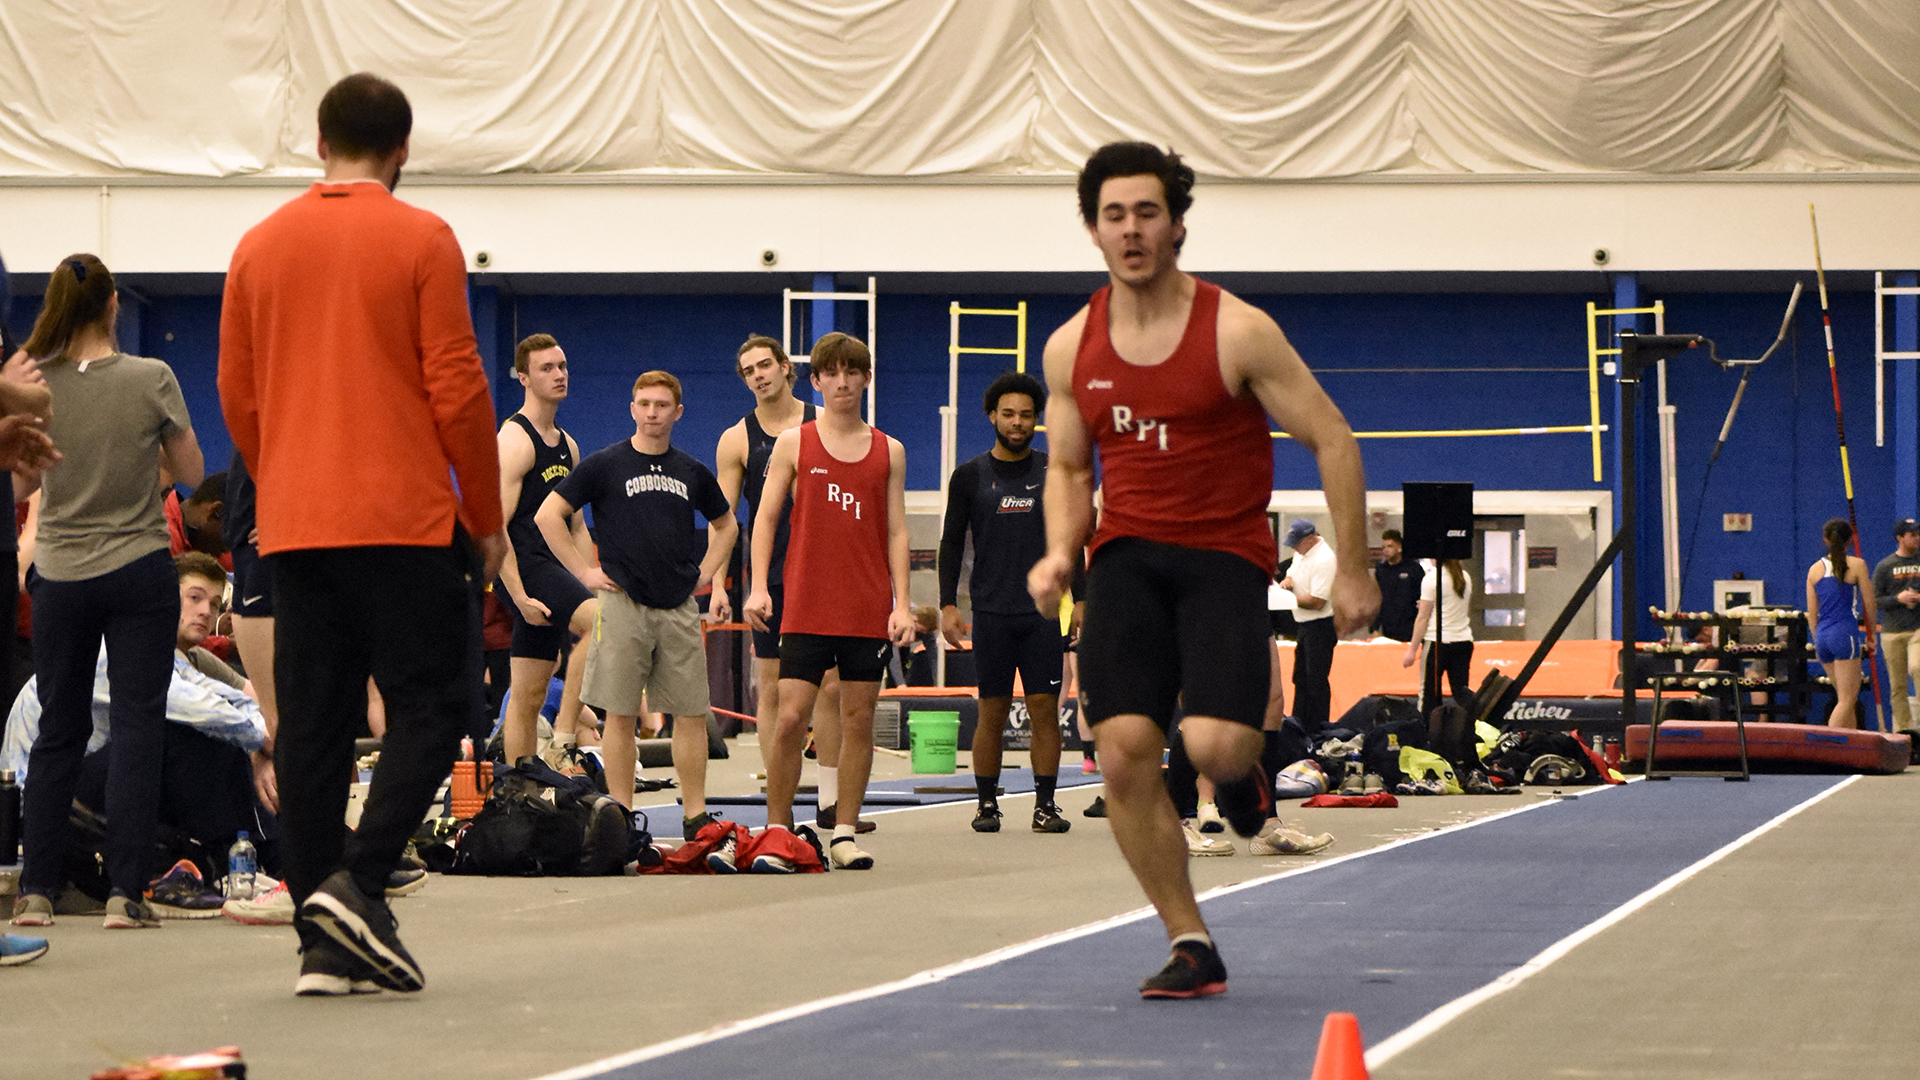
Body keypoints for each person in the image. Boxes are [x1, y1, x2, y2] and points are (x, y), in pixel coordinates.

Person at [1027, 142, 1376, 999]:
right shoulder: (1073, 348)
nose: (1132, 229)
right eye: (1114, 215)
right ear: (1094, 229)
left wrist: (1357, 570)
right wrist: (1059, 551)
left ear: (1177, 224)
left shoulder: (1238, 331)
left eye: (1147, 212)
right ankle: (1190, 939)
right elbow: (1071, 469)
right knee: (1122, 756)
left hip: (1223, 555)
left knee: (1217, 748)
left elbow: (1332, 436)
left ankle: (1243, 769)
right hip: (1127, 558)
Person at [218, 73, 506, 996]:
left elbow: (237, 396)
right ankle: (359, 880)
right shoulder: (422, 237)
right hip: (404, 520)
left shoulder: (258, 247)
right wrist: (484, 519)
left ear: (317, 143)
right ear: (404, 150)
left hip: (296, 524)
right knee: (434, 708)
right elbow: (457, 387)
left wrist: (287, 477)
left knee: (315, 727)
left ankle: (324, 946)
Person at [7, 253, 205, 933]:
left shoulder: (38, 390)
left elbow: (22, 484)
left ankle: (37, 888)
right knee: (138, 724)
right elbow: (191, 470)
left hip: (59, 575)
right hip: (137, 570)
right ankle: (125, 894)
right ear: (114, 304)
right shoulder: (152, 378)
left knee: (57, 731)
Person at [536, 371, 736, 847]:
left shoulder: (691, 471)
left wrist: (706, 573)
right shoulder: (606, 465)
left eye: (662, 405)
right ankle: (622, 816)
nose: (652, 412)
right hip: (622, 605)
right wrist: (584, 574)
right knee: (621, 715)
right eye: (644, 403)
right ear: (632, 409)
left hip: (678, 607)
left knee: (690, 714)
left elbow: (727, 526)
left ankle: (695, 814)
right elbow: (548, 515)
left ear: (677, 413)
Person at [746, 332, 914, 871]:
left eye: (852, 372)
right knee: (791, 716)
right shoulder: (795, 443)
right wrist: (754, 587)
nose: (843, 382)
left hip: (866, 607)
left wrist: (902, 603)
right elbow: (766, 517)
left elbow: (896, 532)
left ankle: (843, 833)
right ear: (815, 381)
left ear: (865, 378)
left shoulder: (890, 450)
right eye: (831, 374)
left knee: (859, 716)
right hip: (806, 604)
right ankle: (776, 829)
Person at [3, 554, 270, 892]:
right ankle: (243, 861)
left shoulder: (169, 655)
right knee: (185, 734)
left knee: (215, 733)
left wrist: (263, 743)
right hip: (47, 806)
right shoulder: (107, 647)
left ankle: (248, 859)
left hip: (87, 781)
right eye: (195, 597)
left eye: (215, 604)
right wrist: (260, 739)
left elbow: (232, 698)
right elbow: (190, 705)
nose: (206, 611)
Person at [713, 337, 866, 834]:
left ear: (786, 369)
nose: (758, 376)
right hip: (771, 575)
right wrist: (720, 584)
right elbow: (725, 520)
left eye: (765, 365)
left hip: (825, 570)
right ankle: (779, 807)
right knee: (777, 692)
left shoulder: (826, 422)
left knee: (832, 684)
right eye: (748, 370)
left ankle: (827, 801)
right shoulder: (736, 439)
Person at [939, 370, 1078, 835]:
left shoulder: (1052, 471)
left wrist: (1081, 600)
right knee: (992, 712)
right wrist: (947, 605)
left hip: (1042, 615)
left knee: (1044, 710)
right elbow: (951, 545)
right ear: (991, 416)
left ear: (1036, 419)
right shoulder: (969, 477)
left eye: (1026, 415)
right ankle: (986, 805)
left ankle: (1045, 806)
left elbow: (1073, 539)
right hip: (992, 613)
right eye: (1008, 414)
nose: (1017, 422)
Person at [495, 333, 598, 769]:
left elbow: (575, 524)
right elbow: (493, 526)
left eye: (562, 366)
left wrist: (594, 577)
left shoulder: (567, 445)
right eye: (546, 369)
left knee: (530, 691)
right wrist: (517, 596)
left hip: (553, 568)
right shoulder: (514, 441)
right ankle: (563, 736)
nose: (558, 375)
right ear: (523, 377)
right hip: (524, 567)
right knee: (603, 624)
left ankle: (519, 783)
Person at [1807, 518, 1877, 730]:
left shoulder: (1814, 570)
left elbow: (1812, 614)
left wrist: (1817, 639)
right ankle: (1828, 745)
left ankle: (1849, 751)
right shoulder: (1857, 565)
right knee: (1847, 700)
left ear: (1825, 539)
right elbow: (1870, 603)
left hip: (1822, 638)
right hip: (1844, 635)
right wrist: (1871, 635)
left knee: (1845, 699)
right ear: (1849, 540)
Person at [1280, 518, 1338, 735]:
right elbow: (1292, 574)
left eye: (1297, 542)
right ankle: (1298, 725)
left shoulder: (1324, 559)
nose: (1294, 547)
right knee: (1300, 679)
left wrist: (1286, 598)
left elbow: (1317, 601)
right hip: (1304, 625)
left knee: (1316, 682)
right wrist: (1287, 582)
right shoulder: (1301, 554)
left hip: (1320, 626)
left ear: (1310, 538)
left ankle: (1317, 728)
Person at [1404, 558, 1474, 714]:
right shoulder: (1465, 577)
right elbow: (1459, 608)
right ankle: (1471, 727)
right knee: (1461, 691)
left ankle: (1428, 732)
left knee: (1429, 694)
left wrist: (1412, 650)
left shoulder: (1432, 579)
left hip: (1437, 643)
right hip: (1463, 641)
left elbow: (1423, 618)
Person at [1872, 519, 1920, 734]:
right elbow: (1875, 600)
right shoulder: (1885, 566)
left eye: (1918, 534)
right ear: (1900, 538)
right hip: (1892, 631)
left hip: (1917, 628)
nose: (1917, 538)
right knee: (1897, 685)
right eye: (1912, 534)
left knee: (1917, 668)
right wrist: (1898, 599)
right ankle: (1905, 732)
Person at [1372, 529, 1423, 642]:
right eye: (1383, 547)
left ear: (1399, 547)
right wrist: (1375, 627)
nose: (1386, 551)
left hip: (1410, 626)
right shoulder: (1381, 570)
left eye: (1390, 546)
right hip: (1388, 627)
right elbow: (1377, 600)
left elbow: (1422, 598)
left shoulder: (1413, 569)